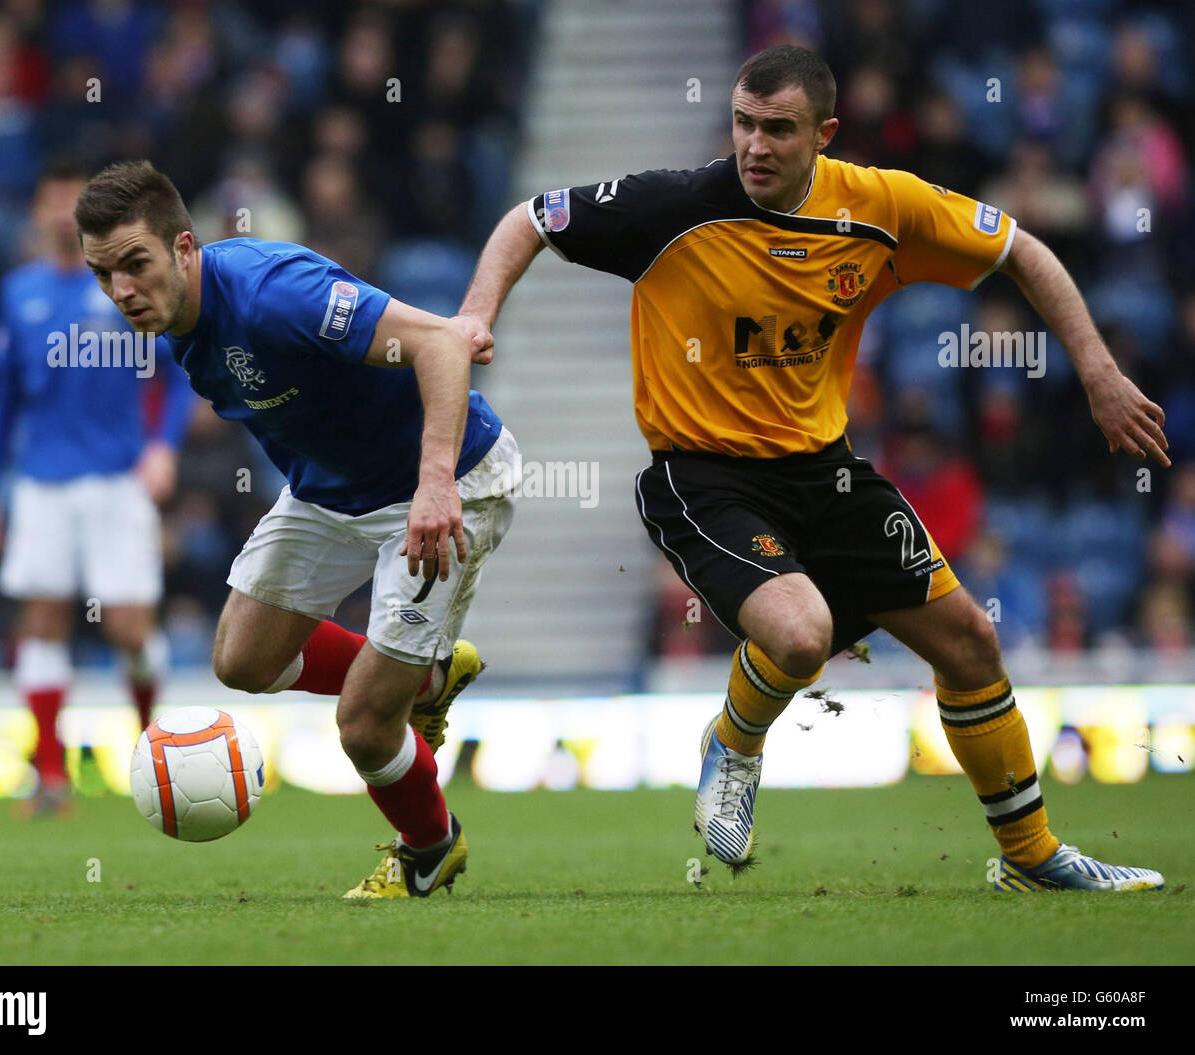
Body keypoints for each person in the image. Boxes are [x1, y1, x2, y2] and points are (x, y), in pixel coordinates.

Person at [458, 46, 1169, 892]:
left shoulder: (879, 205)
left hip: (825, 472)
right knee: (801, 633)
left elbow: (1022, 250)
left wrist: (1095, 369)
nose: (754, 146)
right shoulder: (677, 207)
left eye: (778, 130)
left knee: (972, 643)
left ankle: (1033, 857)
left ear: (823, 135)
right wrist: (474, 315)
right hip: (703, 476)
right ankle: (734, 740)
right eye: (743, 125)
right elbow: (529, 219)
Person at [75, 160, 516, 898]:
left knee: (365, 726)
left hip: (447, 478)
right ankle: (429, 679)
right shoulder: (176, 323)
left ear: (185, 247)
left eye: (135, 264)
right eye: (102, 274)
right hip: (330, 490)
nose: (121, 290)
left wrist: (435, 481)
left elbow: (442, 344)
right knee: (242, 658)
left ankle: (430, 847)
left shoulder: (274, 294)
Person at [0, 159, 194, 813]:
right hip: (41, 483)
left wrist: (162, 449)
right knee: (41, 621)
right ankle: (50, 775)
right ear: (37, 211)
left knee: (127, 627)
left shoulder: (123, 286)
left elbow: (173, 372)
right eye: (52, 199)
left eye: (72, 201)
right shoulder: (19, 292)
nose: (60, 212)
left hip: (118, 480)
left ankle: (151, 755)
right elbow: (2, 399)